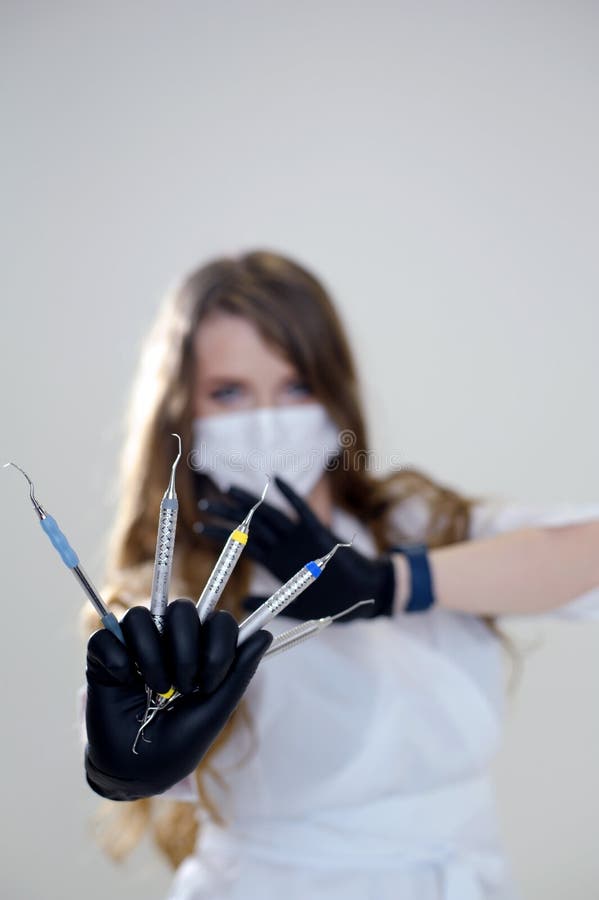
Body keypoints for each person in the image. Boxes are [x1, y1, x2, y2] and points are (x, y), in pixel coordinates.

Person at [79, 249, 599, 900]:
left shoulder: (415, 526)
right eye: (228, 392)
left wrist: (388, 584)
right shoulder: (172, 596)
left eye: (297, 386)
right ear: (180, 414)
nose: (269, 419)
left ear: (334, 396)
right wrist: (120, 765)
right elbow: (120, 728)